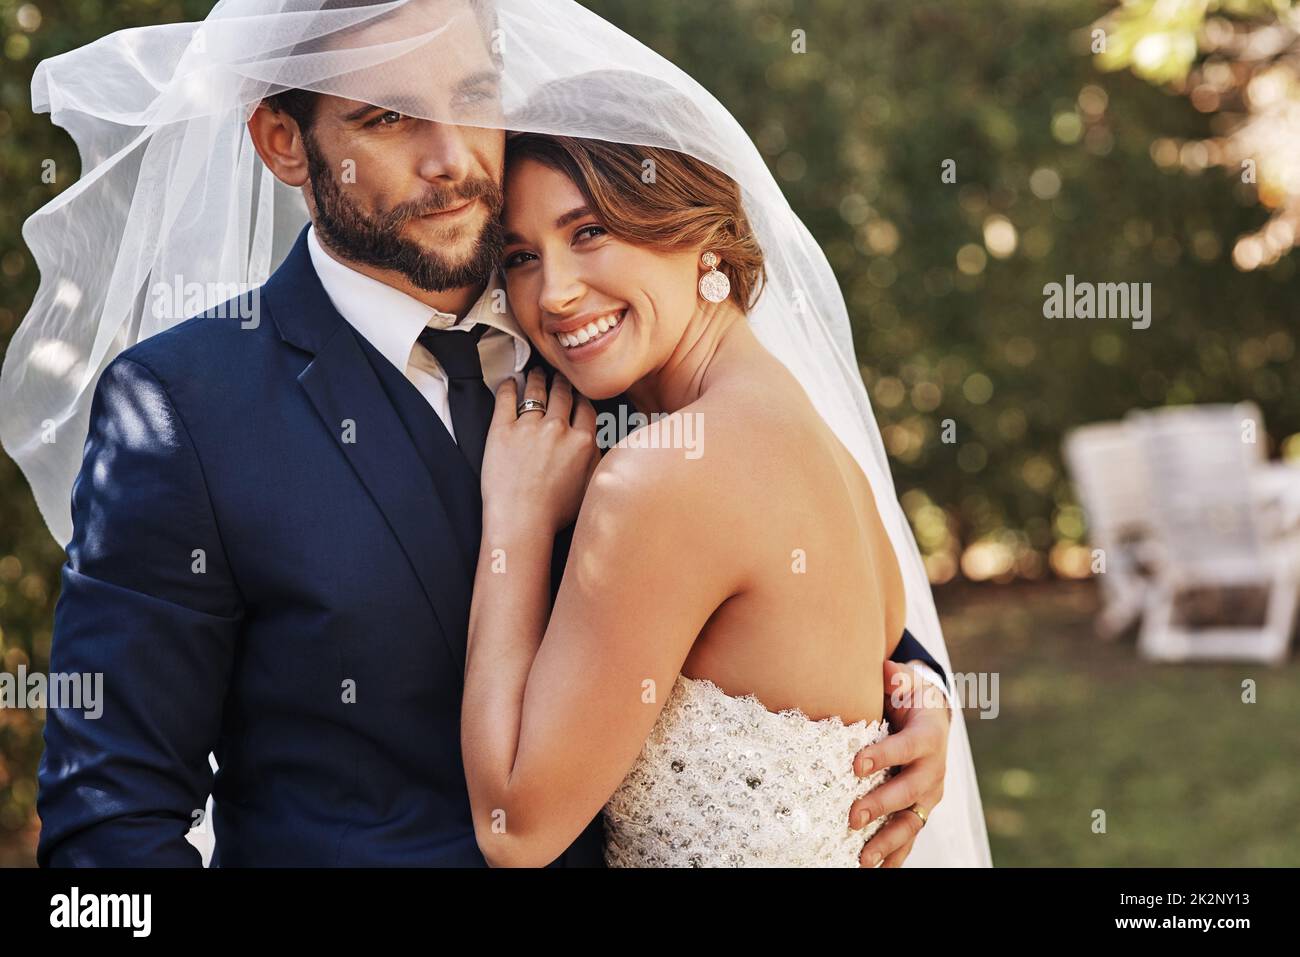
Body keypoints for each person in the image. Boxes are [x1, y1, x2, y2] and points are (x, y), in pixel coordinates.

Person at [3, 0, 987, 867]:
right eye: (387, 117)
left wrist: (910, 693)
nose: (452, 157)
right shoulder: (182, 408)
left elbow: (778, 567)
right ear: (283, 143)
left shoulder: (601, 341)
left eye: (472, 96)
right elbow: (108, 826)